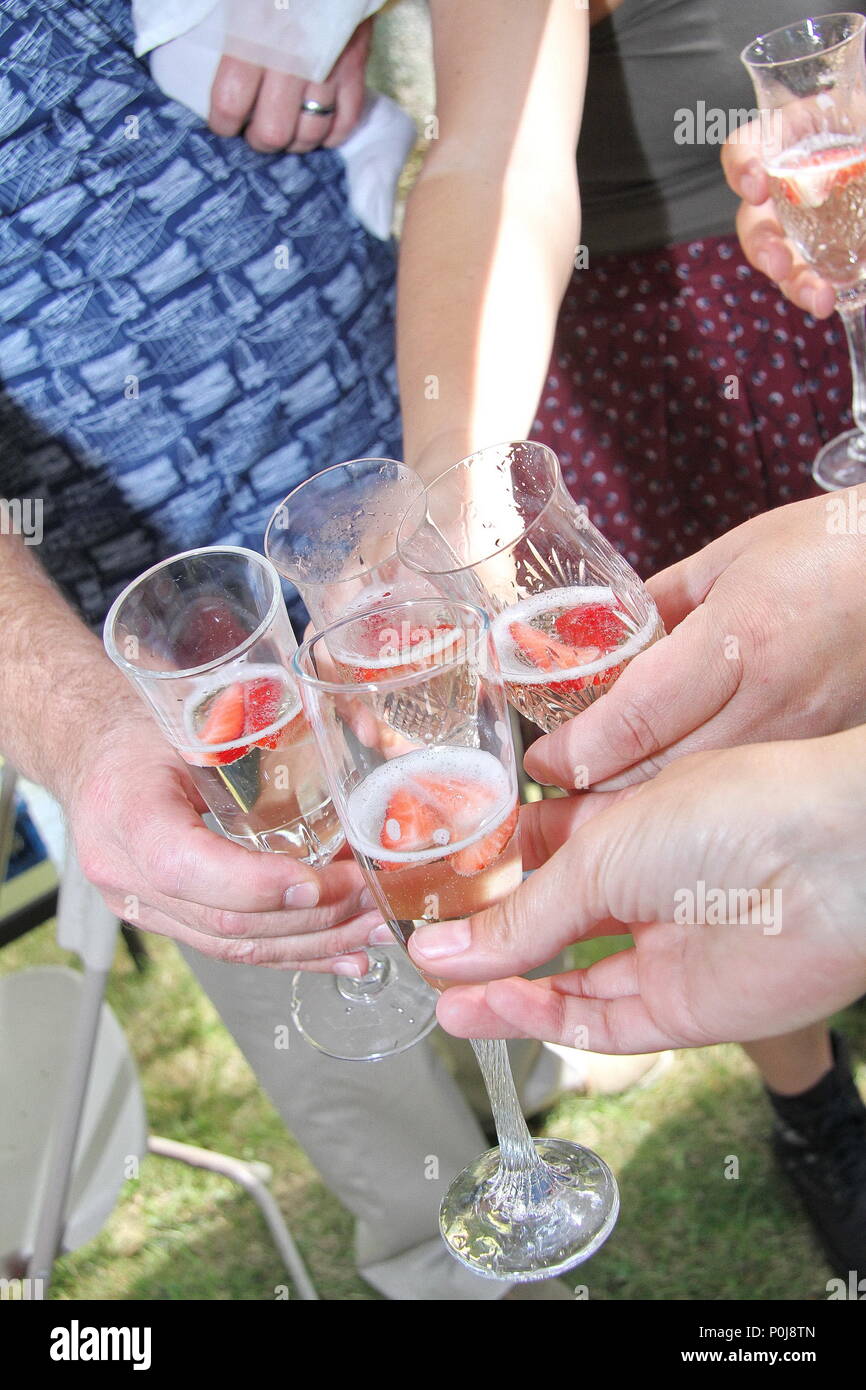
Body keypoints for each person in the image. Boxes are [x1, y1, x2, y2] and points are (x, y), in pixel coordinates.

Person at [0, 0, 581, 1301]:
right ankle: (449, 1256)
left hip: (366, 442)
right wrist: (87, 732)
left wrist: (447, 484)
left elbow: (493, 122)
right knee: (305, 963)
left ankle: (526, 1089)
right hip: (120, 639)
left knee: (470, 862)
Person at [392, 0, 866, 1277]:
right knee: (692, 747)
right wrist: (460, 492)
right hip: (655, 319)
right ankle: (814, 1105)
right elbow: (490, 162)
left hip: (826, 279)